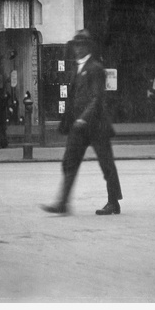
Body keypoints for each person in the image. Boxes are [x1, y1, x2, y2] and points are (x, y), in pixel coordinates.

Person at [41, 29, 123, 216]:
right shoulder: (78, 68)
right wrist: (70, 121)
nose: (78, 49)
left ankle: (113, 202)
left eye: (81, 45)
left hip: (95, 126)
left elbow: (96, 98)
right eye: (76, 45)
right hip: (79, 127)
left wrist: (83, 118)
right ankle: (62, 202)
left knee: (106, 165)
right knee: (70, 162)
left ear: (88, 47)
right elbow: (73, 99)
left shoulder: (95, 68)